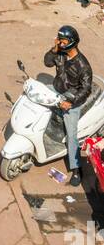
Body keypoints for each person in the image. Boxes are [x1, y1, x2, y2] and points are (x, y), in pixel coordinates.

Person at [43, 25, 94, 187]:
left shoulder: (83, 66)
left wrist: (70, 102)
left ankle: (76, 168)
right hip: (56, 90)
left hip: (72, 99)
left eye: (62, 40)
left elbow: (86, 90)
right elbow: (46, 62)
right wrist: (54, 48)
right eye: (59, 39)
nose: (60, 42)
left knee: (72, 136)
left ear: (71, 42)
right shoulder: (60, 54)